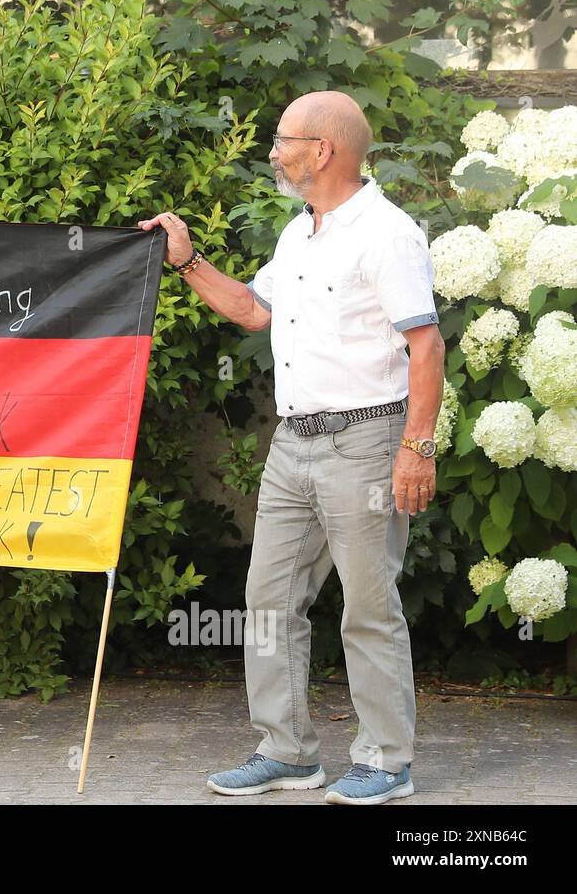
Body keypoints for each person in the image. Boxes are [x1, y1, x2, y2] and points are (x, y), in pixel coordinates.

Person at [139, 90, 445, 805]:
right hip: (293, 444)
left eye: (282, 140)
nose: (273, 152)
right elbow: (252, 309)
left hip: (366, 442)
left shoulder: (388, 234)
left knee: (368, 607)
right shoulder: (298, 232)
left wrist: (416, 450)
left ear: (323, 150)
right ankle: (287, 752)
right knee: (270, 602)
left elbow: (426, 346)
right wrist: (188, 261)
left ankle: (386, 762)